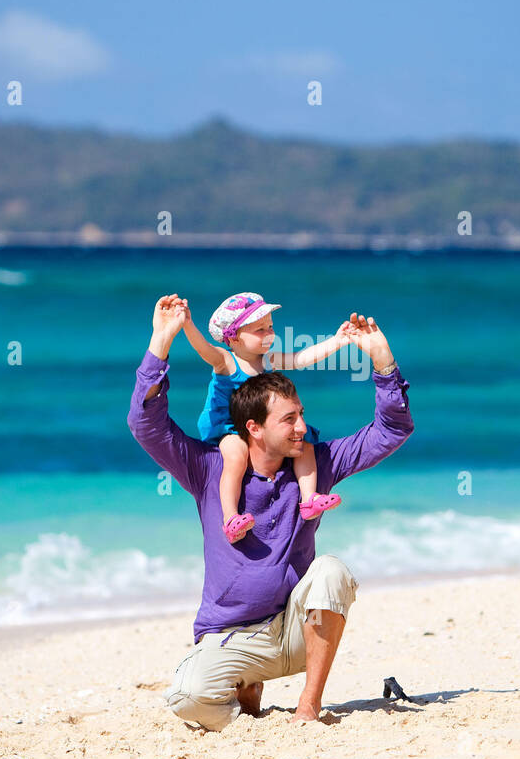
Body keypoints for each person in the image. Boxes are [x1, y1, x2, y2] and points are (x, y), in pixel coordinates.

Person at [127, 293, 413, 728]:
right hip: (231, 637)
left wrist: (384, 364)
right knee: (188, 699)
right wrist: (161, 343)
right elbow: (146, 423)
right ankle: (246, 685)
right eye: (289, 420)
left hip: (297, 631)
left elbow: (392, 429)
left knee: (331, 570)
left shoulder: (317, 460)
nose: (302, 427)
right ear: (253, 428)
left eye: (301, 415)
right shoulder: (208, 467)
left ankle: (308, 705)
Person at [180, 291, 352, 545]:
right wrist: (186, 323)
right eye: (259, 329)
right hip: (228, 426)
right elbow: (202, 348)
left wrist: (338, 341)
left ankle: (309, 500)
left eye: (270, 327)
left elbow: (302, 359)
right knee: (236, 456)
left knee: (304, 445)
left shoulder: (269, 360)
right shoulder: (227, 361)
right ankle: (230, 518)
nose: (269, 334)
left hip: (261, 426)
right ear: (234, 337)